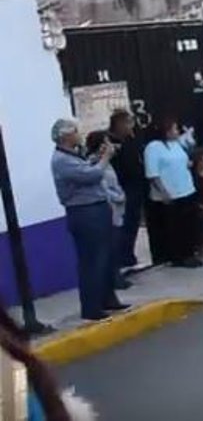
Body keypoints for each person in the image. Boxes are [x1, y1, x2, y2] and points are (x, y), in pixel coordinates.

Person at [49, 119, 128, 321]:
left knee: (106, 255)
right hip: (84, 212)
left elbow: (89, 168)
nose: (79, 134)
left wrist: (99, 156)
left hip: (97, 209)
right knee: (93, 260)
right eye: (75, 131)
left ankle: (108, 298)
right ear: (66, 135)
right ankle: (92, 307)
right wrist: (106, 159)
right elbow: (91, 175)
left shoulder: (73, 155)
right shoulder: (61, 160)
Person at [144, 118, 202, 268]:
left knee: (188, 224)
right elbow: (152, 173)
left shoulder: (176, 144)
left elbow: (184, 161)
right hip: (170, 192)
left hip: (186, 189)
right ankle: (178, 256)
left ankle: (189, 252)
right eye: (174, 129)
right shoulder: (153, 147)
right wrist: (163, 192)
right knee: (175, 226)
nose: (177, 132)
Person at [106, 109, 151, 270]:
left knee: (133, 223)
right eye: (128, 122)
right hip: (121, 189)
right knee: (122, 227)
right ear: (119, 124)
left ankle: (129, 257)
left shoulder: (130, 140)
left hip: (136, 187)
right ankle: (119, 261)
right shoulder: (109, 142)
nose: (131, 126)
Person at [85, 131, 130, 291]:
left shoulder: (107, 162)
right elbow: (101, 186)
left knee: (115, 244)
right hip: (109, 207)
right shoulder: (94, 163)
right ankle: (113, 279)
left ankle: (116, 277)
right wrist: (118, 197)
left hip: (117, 206)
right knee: (110, 246)